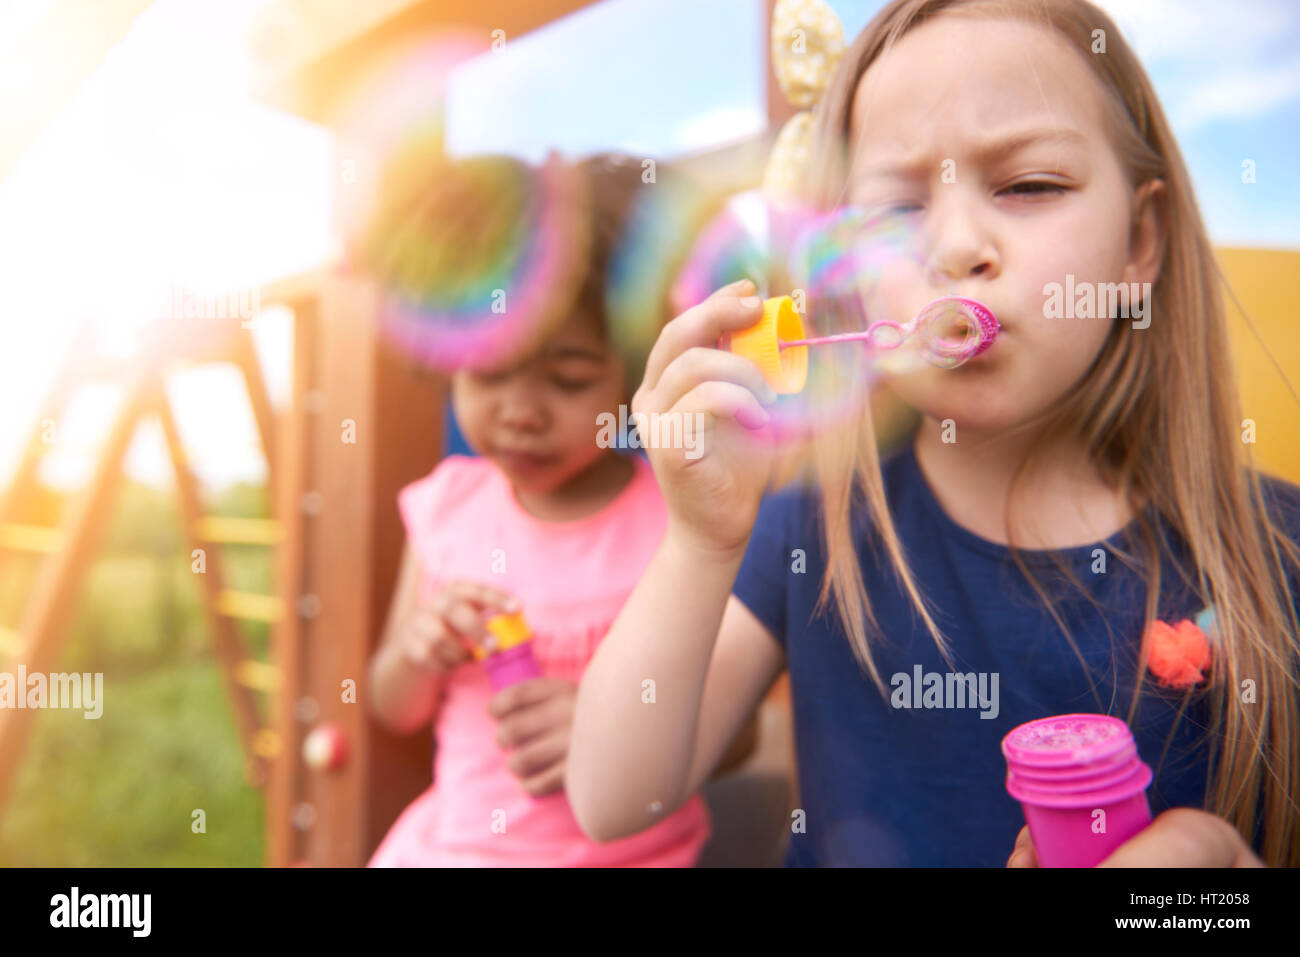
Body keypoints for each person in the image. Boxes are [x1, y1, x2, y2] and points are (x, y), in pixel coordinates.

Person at [566, 0, 1300, 867]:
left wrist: (1218, 883)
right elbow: (616, 798)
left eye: (1029, 185)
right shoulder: (810, 530)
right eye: (895, 211)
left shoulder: (1277, 550)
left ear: (1139, 241)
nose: (954, 246)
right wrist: (697, 542)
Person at [366, 153, 716, 866]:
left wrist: (613, 725)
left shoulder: (677, 521)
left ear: (634, 364)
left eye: (569, 377)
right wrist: (419, 650)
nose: (521, 412)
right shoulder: (449, 508)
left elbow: (728, 733)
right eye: (489, 371)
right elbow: (391, 702)